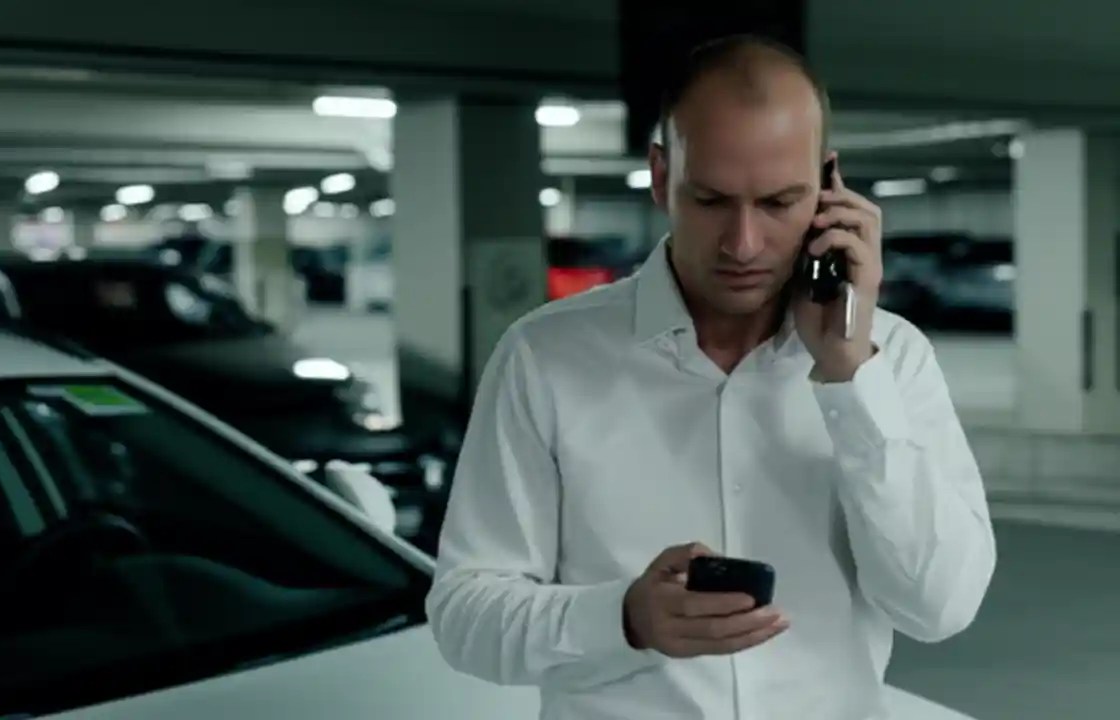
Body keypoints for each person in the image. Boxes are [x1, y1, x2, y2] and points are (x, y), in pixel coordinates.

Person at [425, 34, 996, 720]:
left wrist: (848, 377)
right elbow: (464, 617)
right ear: (661, 176)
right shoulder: (545, 356)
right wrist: (624, 619)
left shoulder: (892, 359)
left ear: (828, 187)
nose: (744, 244)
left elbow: (938, 607)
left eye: (780, 203)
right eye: (712, 201)